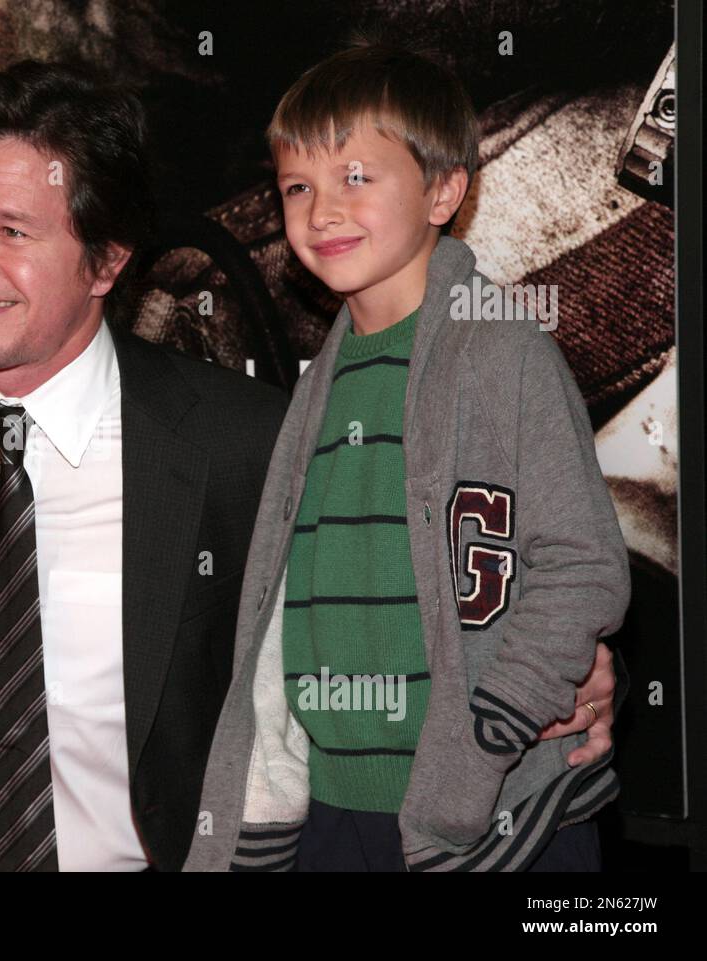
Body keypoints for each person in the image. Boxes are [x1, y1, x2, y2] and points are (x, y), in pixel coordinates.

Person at [0, 59, 618, 872]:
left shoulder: (240, 438)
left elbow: (484, 566)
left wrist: (545, 678)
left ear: (106, 262)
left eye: (13, 231)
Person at [186, 41, 630, 873]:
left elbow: (583, 563)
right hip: (333, 808)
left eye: (356, 176)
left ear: (443, 189)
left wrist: (493, 720)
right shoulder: (319, 380)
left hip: (494, 807)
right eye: (297, 186)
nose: (320, 211)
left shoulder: (501, 348)